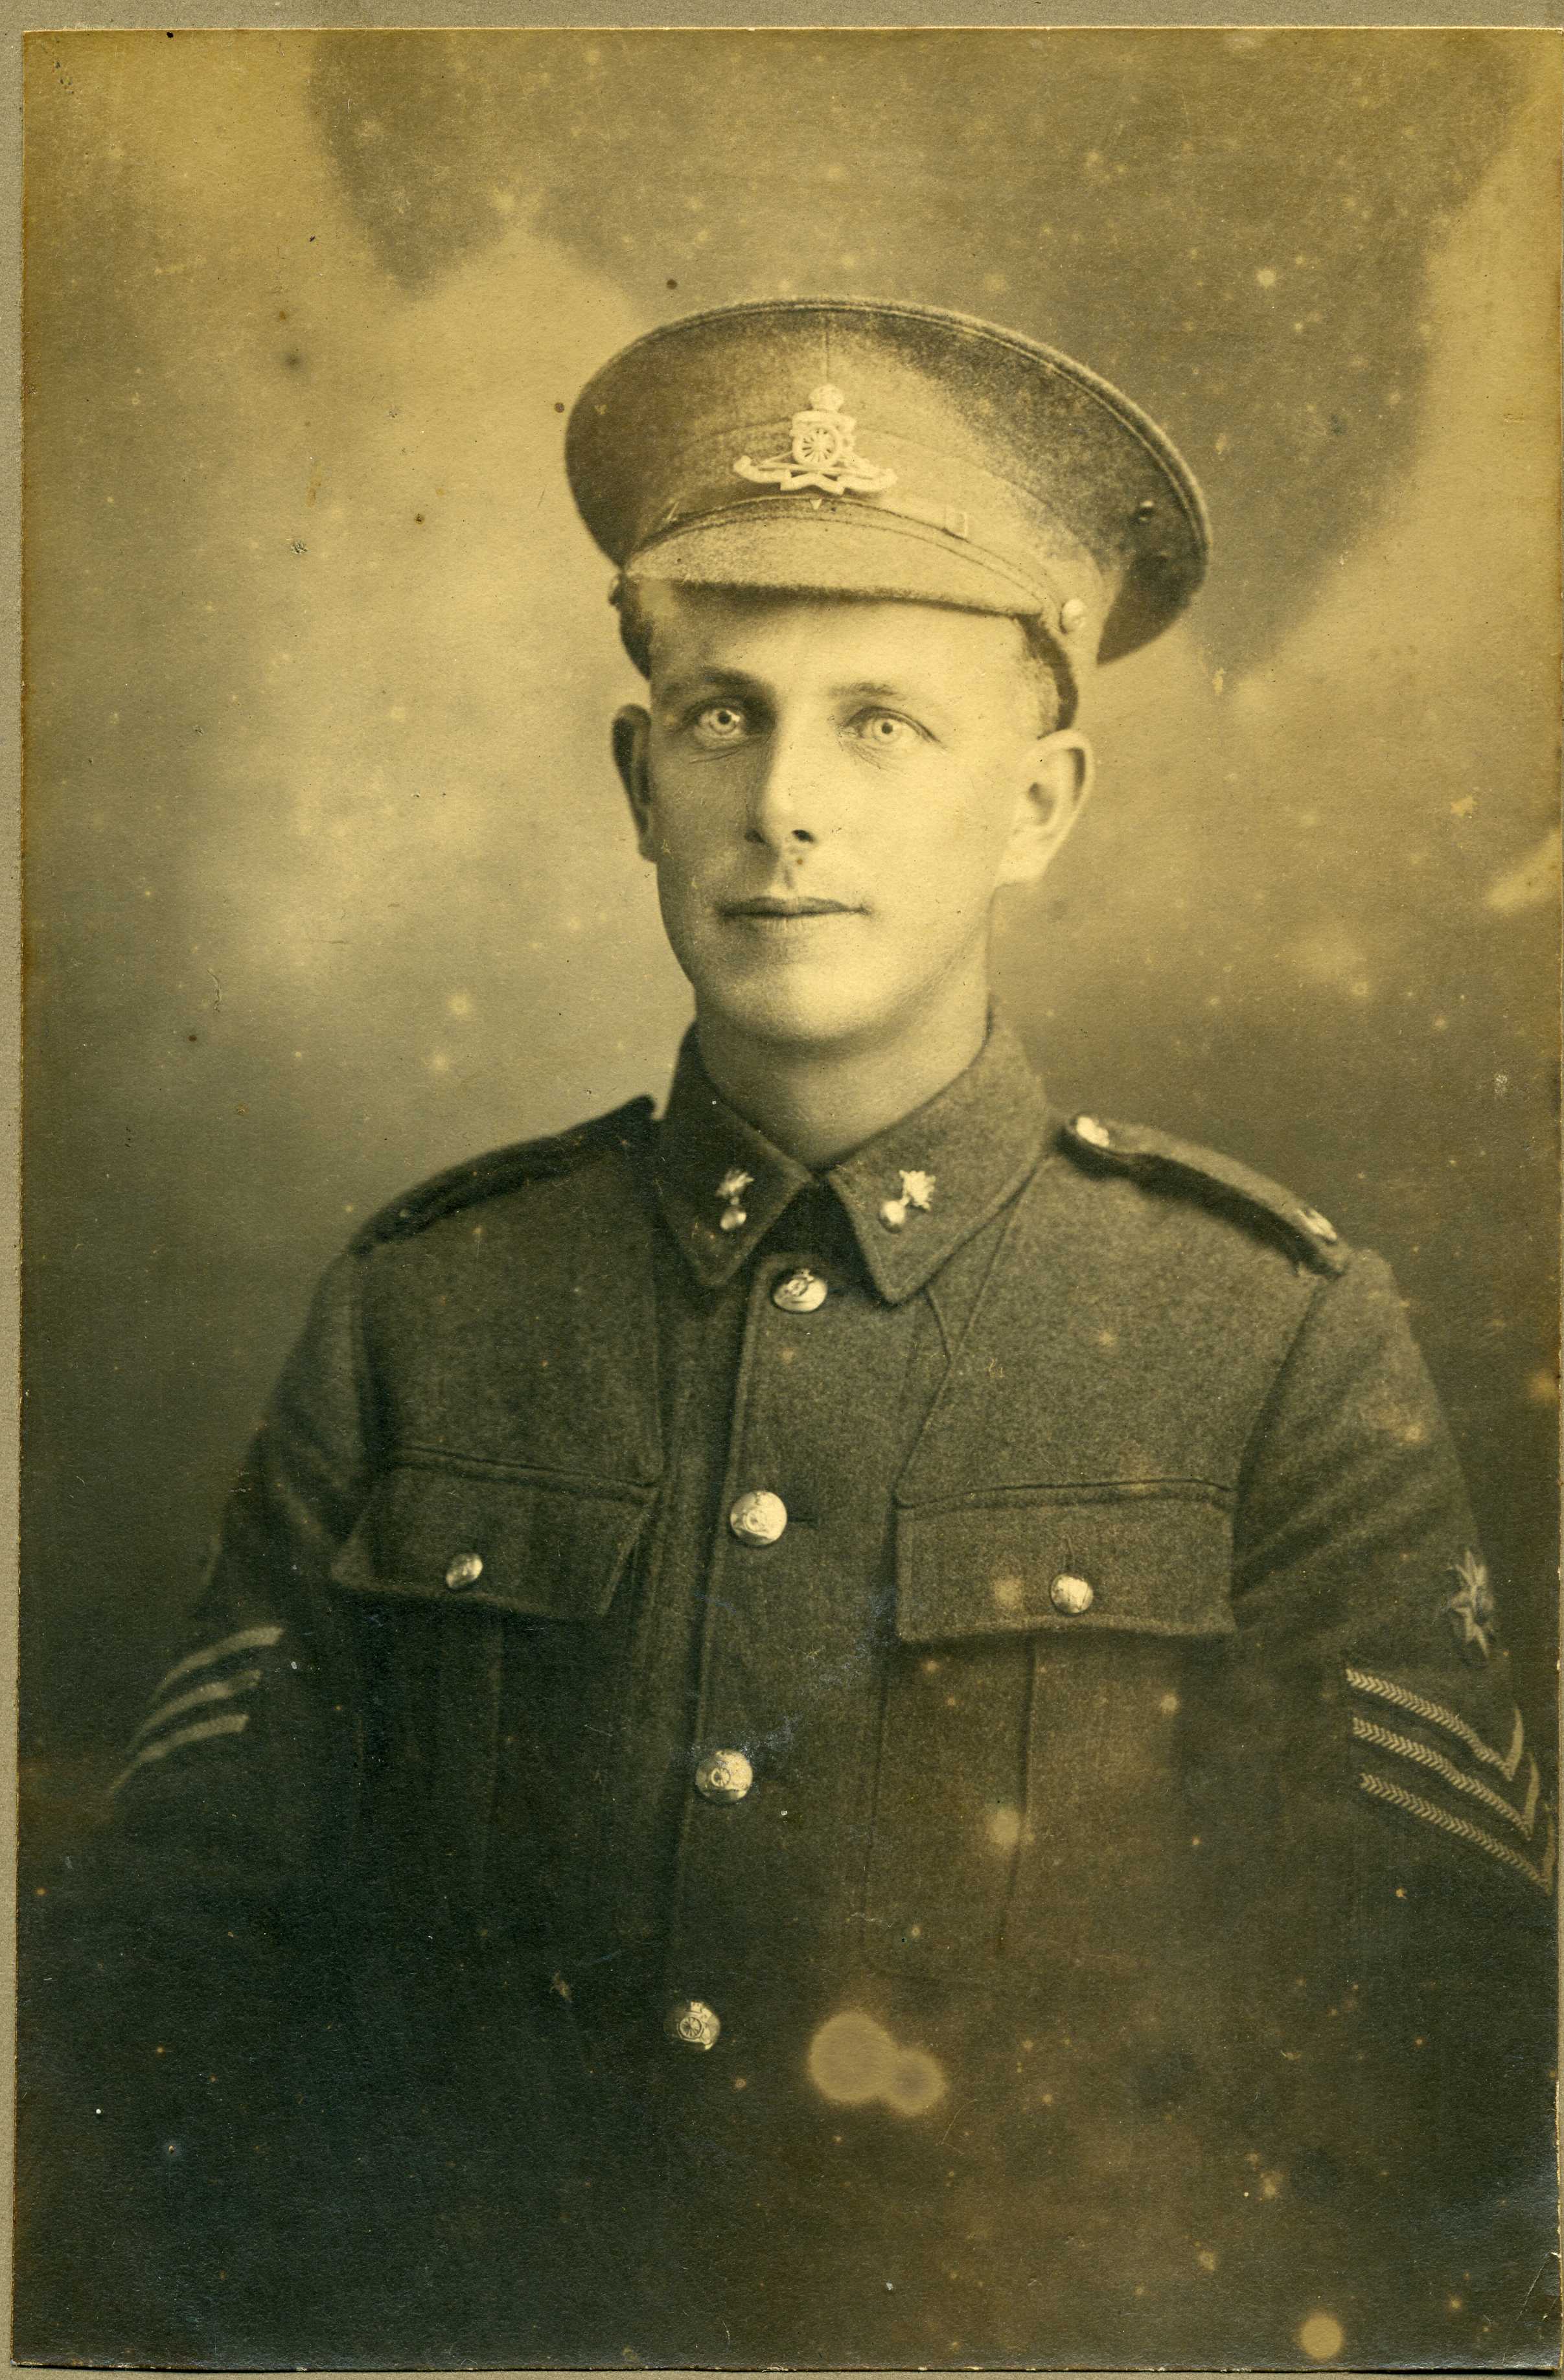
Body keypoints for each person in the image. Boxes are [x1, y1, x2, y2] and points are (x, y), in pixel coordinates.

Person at [19, 299, 1556, 2370]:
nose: (786, 808)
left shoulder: (1265, 1338)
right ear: (638, 776)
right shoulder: (426, 1311)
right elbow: (162, 2020)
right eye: (726, 717)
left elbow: (1448, 2083)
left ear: (1042, 801)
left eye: (883, 725)